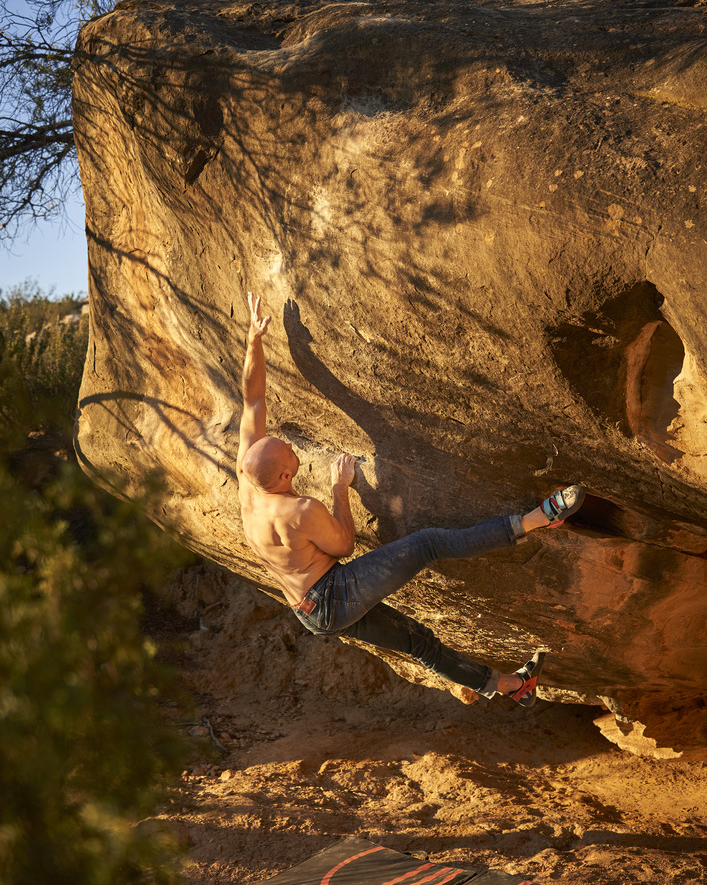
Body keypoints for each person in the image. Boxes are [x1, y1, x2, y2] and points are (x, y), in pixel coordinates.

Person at [237, 293, 585, 707]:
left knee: (421, 643)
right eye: (290, 453)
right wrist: (339, 490)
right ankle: (536, 519)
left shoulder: (249, 472)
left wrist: (254, 339)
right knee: (427, 544)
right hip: (334, 596)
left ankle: (511, 687)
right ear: (283, 476)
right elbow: (344, 545)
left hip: (310, 612)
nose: (293, 447)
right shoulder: (298, 511)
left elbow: (252, 399)